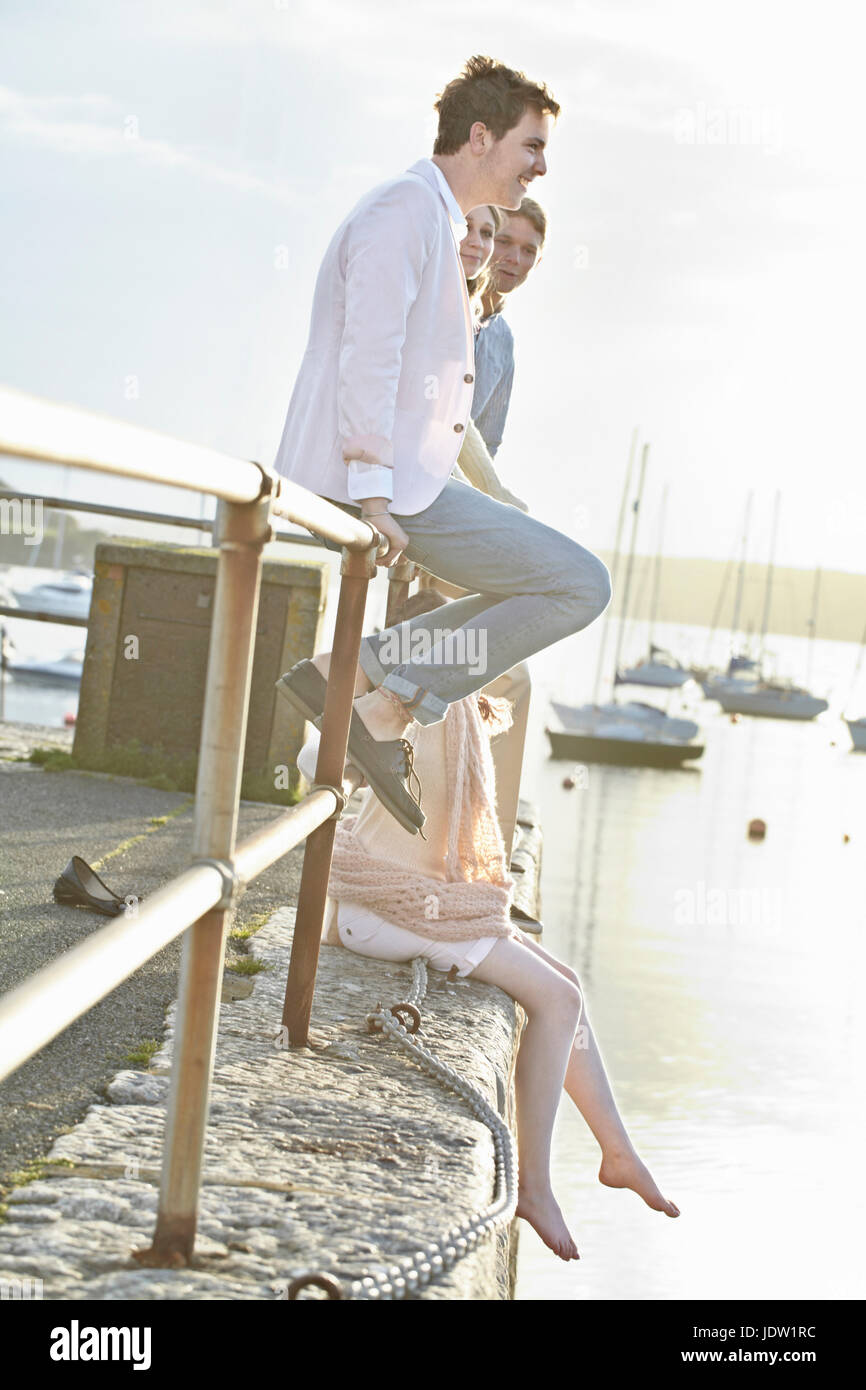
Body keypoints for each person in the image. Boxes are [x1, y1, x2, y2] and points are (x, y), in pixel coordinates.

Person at [273, 55, 611, 838]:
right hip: (388, 485)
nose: (542, 165)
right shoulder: (402, 210)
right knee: (578, 585)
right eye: (532, 146)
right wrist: (375, 498)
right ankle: (384, 707)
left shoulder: (431, 217)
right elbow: (370, 357)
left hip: (406, 482)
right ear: (482, 136)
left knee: (547, 583)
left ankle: (349, 678)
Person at [295, 655, 680, 1263]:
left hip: (408, 905)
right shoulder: (410, 703)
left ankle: (617, 1153)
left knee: (567, 983)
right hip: (380, 909)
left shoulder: (455, 709)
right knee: (558, 1001)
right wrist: (381, 709)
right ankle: (534, 1186)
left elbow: (504, 682)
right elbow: (313, 760)